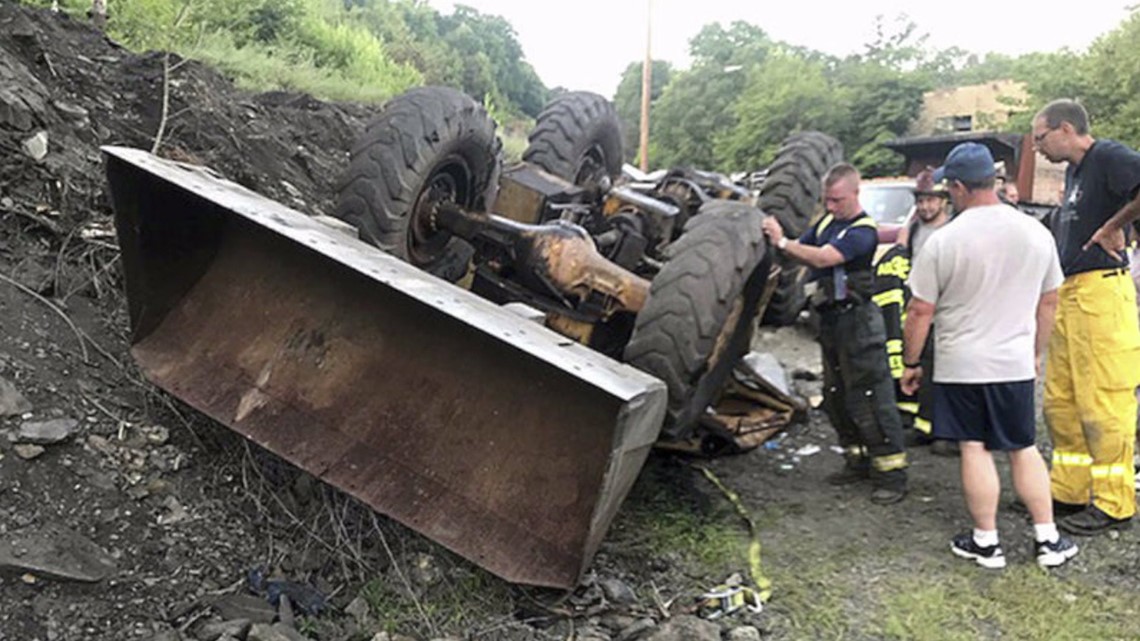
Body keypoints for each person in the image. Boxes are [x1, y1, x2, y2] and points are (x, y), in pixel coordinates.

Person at [901, 142, 1079, 568]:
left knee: (975, 448)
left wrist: (911, 363)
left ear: (960, 187)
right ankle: (1047, 539)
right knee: (1023, 447)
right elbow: (1049, 301)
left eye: (949, 185)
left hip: (962, 364)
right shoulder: (1035, 233)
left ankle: (987, 542)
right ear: (994, 182)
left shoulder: (944, 241)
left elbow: (920, 309)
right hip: (1014, 362)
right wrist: (1036, 353)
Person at [762, 163, 908, 505]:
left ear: (855, 194)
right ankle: (856, 459)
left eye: (837, 200)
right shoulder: (828, 222)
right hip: (831, 322)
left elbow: (825, 258)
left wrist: (780, 239)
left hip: (859, 322)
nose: (831, 206)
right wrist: (780, 243)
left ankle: (892, 474)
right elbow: (802, 247)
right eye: (827, 200)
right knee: (837, 394)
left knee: (871, 395)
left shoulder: (862, 230)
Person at [1033, 99, 1140, 535]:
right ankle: (1069, 491)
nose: (1037, 148)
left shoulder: (1109, 157)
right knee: (1062, 401)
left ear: (1064, 129)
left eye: (1040, 137)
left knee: (1104, 403)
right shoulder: (1076, 172)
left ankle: (1115, 503)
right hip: (1071, 294)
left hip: (1101, 294)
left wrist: (1116, 224)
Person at [893, 169, 955, 453]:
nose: (925, 206)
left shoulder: (954, 230)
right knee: (919, 365)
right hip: (918, 305)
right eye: (921, 201)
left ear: (944, 201)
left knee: (943, 370)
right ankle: (922, 425)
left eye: (931, 200)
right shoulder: (917, 230)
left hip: (945, 310)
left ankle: (945, 431)